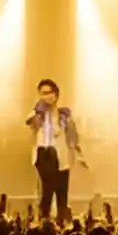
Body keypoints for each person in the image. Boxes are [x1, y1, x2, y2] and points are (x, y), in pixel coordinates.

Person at [25, 79, 86, 223]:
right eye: (42, 94)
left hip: (62, 157)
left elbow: (73, 137)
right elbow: (30, 123)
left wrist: (80, 155)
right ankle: (43, 221)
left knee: (62, 194)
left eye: (48, 93)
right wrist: (39, 111)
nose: (45, 96)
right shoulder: (38, 112)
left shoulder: (64, 114)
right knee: (47, 189)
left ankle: (61, 224)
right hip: (44, 154)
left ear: (55, 94)